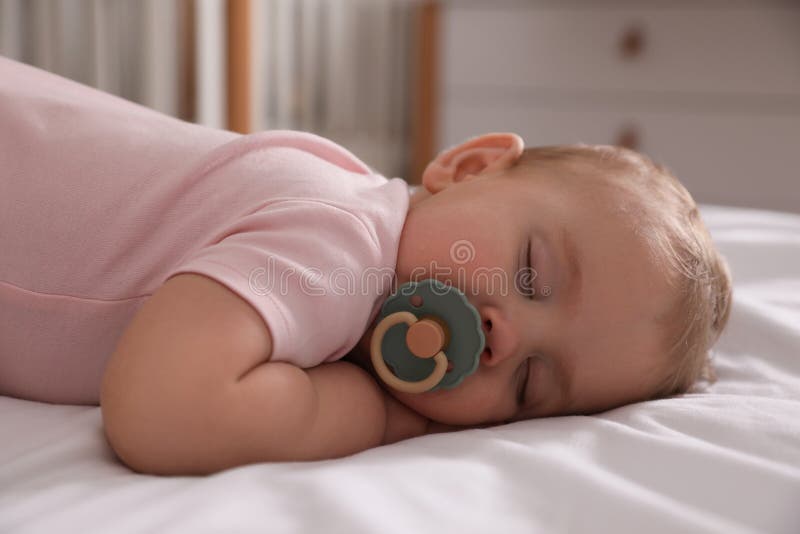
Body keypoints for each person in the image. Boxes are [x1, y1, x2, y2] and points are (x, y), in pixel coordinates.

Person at [0, 57, 732, 476]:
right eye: (534, 273)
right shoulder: (342, 238)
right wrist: (374, 415)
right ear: (468, 167)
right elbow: (162, 413)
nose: (500, 337)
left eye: (531, 382)